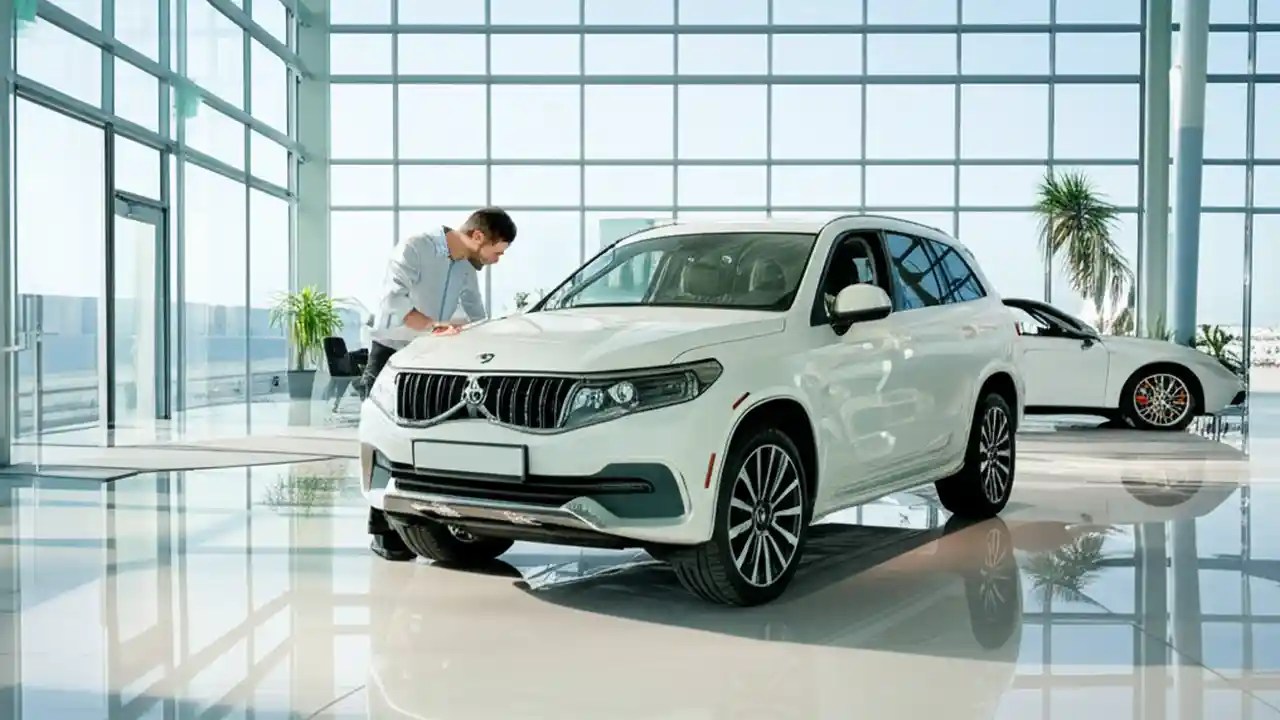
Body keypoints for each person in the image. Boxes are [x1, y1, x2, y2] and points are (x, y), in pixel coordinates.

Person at [362, 207, 517, 561]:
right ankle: (384, 533)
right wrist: (435, 326)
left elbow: (476, 312)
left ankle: (430, 523)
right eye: (498, 251)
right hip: (391, 354)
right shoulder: (415, 247)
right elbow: (392, 302)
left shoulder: (464, 268)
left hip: (433, 358)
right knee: (386, 441)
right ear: (478, 237)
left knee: (427, 443)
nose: (497, 260)